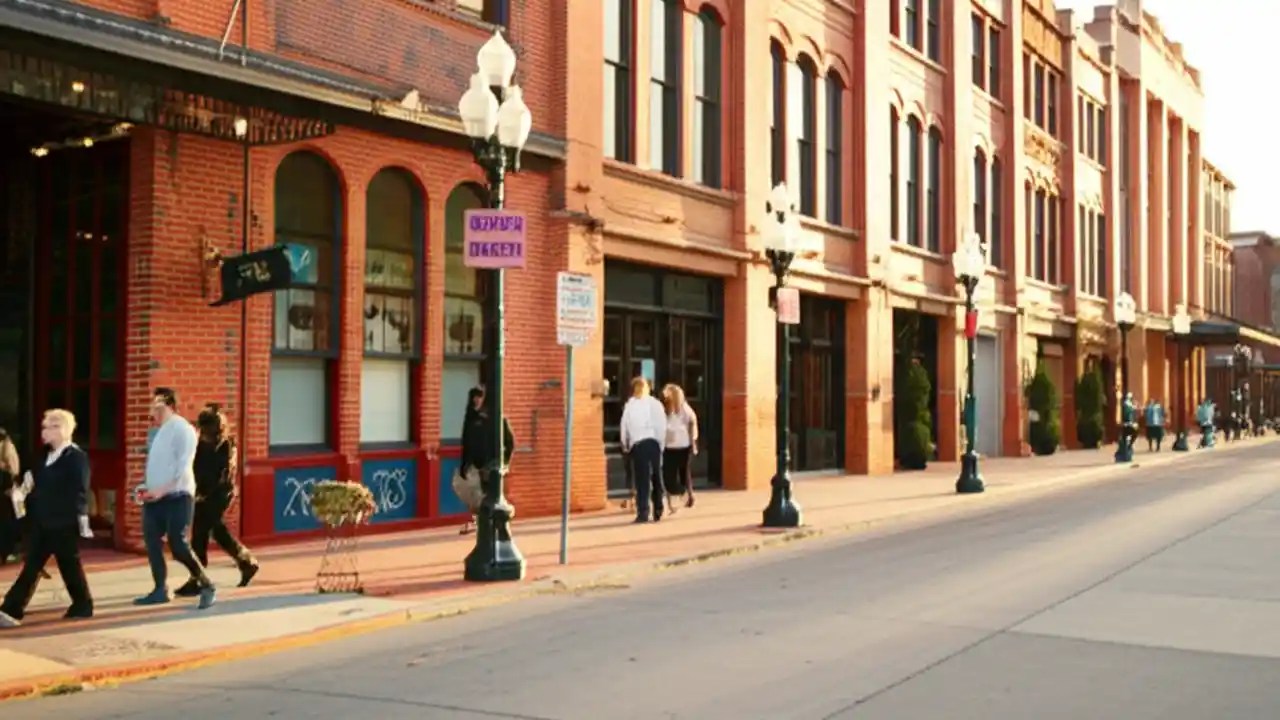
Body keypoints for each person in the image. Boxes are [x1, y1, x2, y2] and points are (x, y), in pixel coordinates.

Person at [0, 409, 94, 627]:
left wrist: (82, 522)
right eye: (44, 427)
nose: (44, 431)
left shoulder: (76, 457)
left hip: (64, 521)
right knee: (55, 564)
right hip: (42, 520)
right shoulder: (43, 455)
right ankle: (82, 603)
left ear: (61, 429)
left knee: (47, 565)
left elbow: (80, 490)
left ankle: (11, 609)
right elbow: (32, 482)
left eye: (49, 427)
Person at [135, 388, 216, 610]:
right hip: (155, 498)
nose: (154, 411)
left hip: (178, 496)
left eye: (158, 406)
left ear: (170, 404)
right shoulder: (159, 432)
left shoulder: (183, 429)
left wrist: (163, 490)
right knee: (152, 542)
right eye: (152, 407)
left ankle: (207, 584)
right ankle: (160, 589)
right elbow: (157, 467)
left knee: (178, 544)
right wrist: (146, 488)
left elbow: (183, 467)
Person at [176, 404, 258, 597]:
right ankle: (246, 562)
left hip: (214, 495)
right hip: (210, 494)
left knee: (200, 533)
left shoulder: (222, 446)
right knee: (215, 530)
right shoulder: (211, 444)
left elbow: (218, 476)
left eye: (204, 429)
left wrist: (201, 493)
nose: (201, 433)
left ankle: (197, 578)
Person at [456, 387, 514, 534]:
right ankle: (480, 521)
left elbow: (510, 442)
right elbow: (466, 441)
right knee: (467, 490)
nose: (476, 400)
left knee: (489, 496)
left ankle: (491, 526)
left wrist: (505, 462)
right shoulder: (470, 418)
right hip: (473, 465)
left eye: (479, 397)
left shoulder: (497, 419)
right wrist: (464, 462)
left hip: (490, 466)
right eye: (474, 397)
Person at [619, 377, 666, 523]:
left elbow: (624, 427)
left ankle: (643, 512)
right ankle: (658, 508)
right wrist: (661, 444)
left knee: (642, 480)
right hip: (653, 443)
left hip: (638, 445)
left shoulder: (630, 405)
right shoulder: (655, 404)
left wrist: (625, 445)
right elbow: (661, 425)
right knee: (656, 476)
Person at [660, 384, 699, 514]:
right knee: (668, 477)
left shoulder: (685, 410)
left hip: (683, 447)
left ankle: (687, 495)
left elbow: (692, 423)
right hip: (669, 448)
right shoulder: (664, 410)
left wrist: (693, 442)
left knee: (684, 473)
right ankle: (683, 493)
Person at [0, 428, 19, 563]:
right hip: (6, 491)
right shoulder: (7, 447)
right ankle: (7, 553)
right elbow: (14, 470)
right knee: (7, 522)